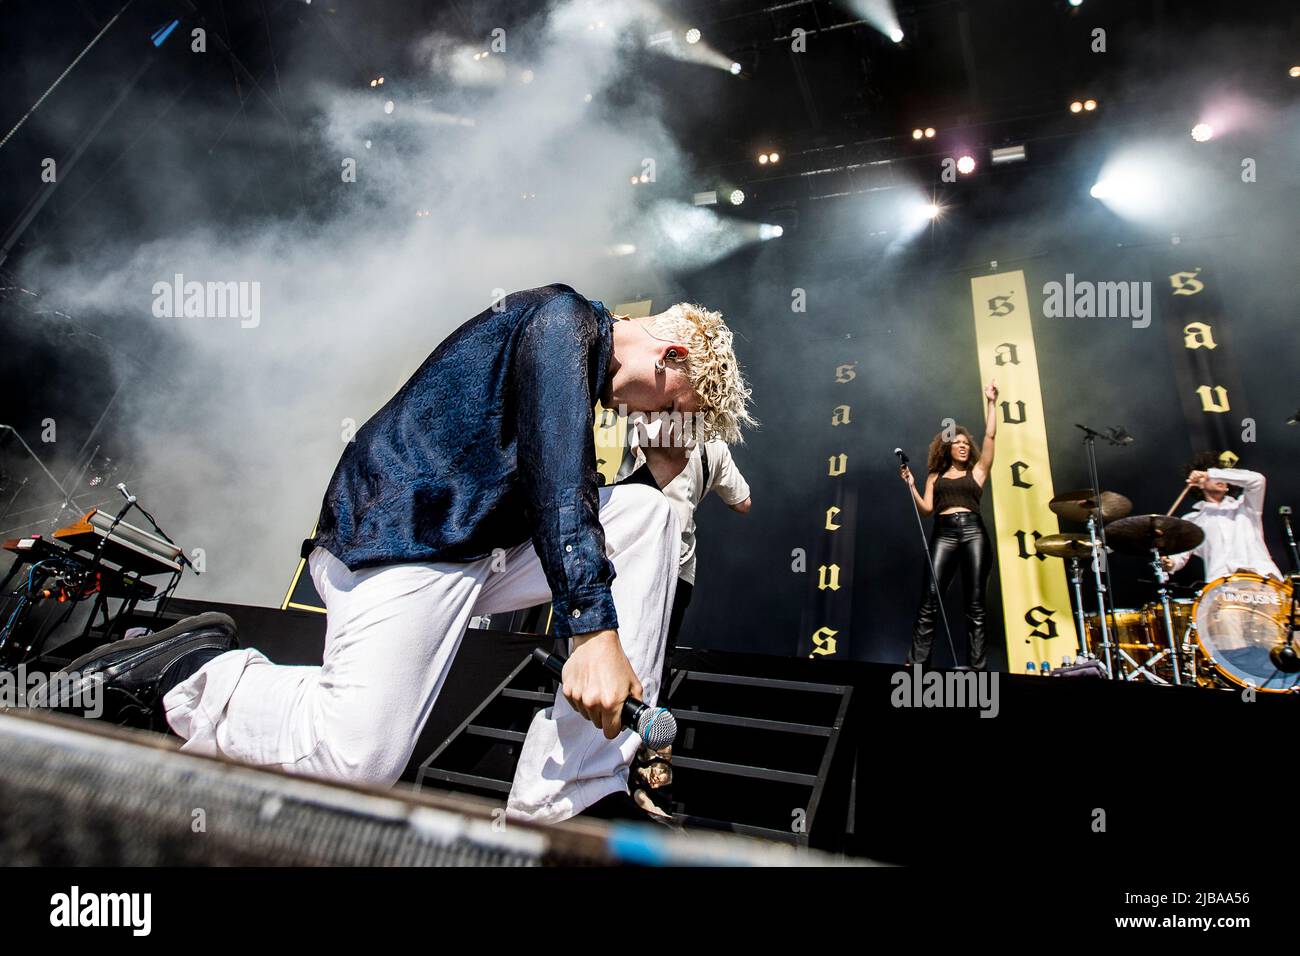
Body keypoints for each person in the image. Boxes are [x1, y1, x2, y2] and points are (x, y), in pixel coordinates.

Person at [60, 283, 754, 825]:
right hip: (405, 538)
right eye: (668, 403)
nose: (642, 417)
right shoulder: (562, 320)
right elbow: (557, 476)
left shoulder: (581, 357)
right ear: (673, 356)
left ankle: (568, 796)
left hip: (475, 551)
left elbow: (571, 499)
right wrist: (593, 631)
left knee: (647, 516)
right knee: (356, 761)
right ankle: (193, 673)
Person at [617, 420, 752, 820]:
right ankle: (649, 785)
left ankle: (614, 774)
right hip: (678, 571)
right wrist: (705, 479)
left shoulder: (652, 422)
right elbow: (744, 503)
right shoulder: (716, 448)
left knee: (624, 659)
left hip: (637, 561)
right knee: (655, 670)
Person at [900, 381, 998, 670]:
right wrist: (912, 486)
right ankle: (917, 663)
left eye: (967, 444)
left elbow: (991, 435)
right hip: (943, 533)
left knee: (976, 604)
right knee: (930, 598)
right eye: (959, 443)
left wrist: (992, 403)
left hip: (973, 532)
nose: (964, 447)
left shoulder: (978, 472)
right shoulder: (935, 476)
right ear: (948, 448)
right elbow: (927, 510)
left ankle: (977, 667)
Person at [1161, 455, 1282, 583]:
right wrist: (1169, 563)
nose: (1220, 478)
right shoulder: (1193, 520)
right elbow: (1179, 557)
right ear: (1199, 484)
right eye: (1214, 475)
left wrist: (1211, 474)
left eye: (1222, 475)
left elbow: (1258, 480)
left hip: (1263, 578)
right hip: (1221, 585)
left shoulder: (1245, 506)